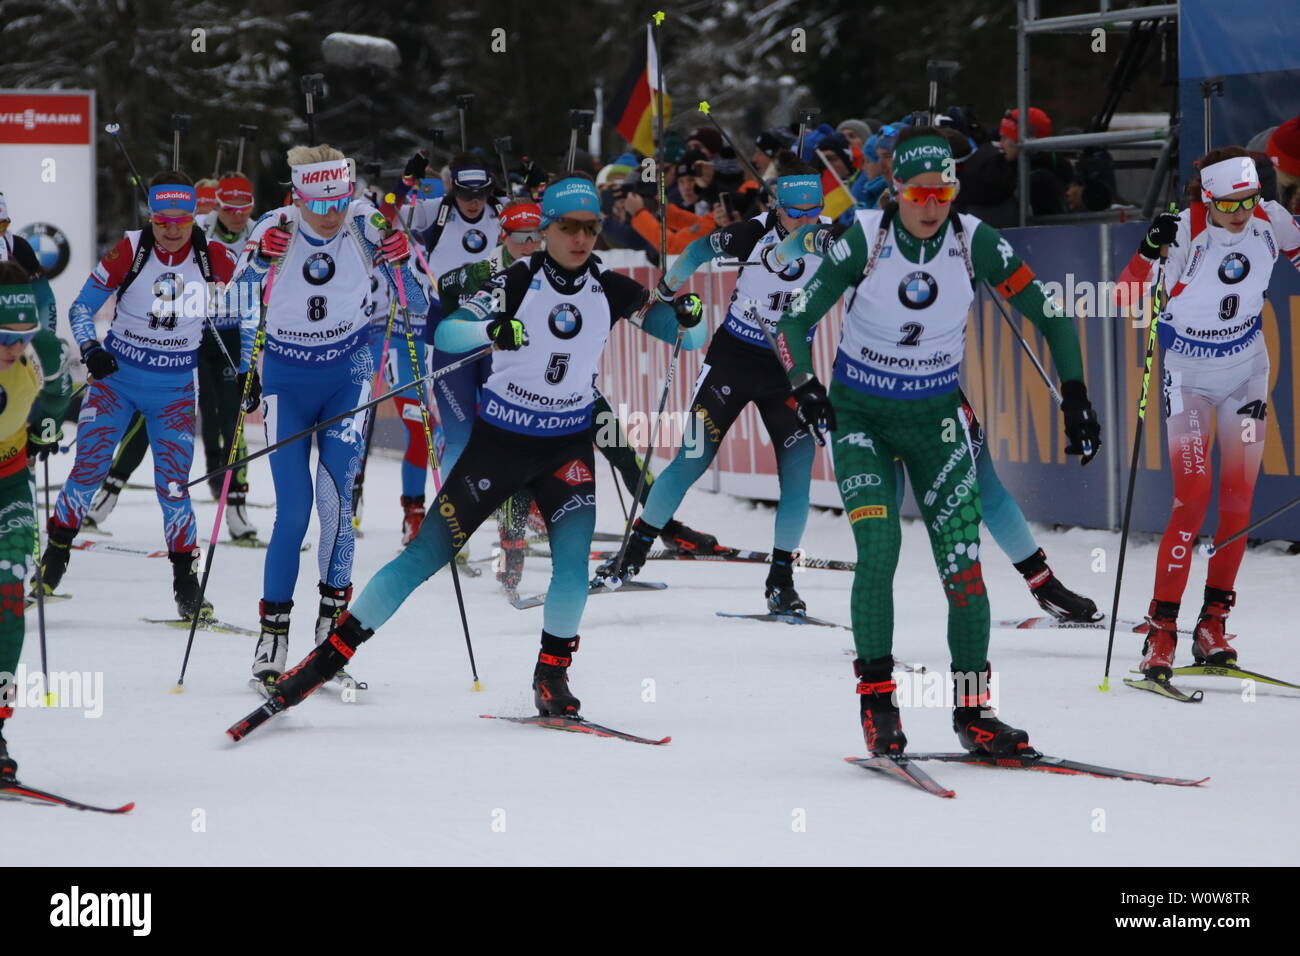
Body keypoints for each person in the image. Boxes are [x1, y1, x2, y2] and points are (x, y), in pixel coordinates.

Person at [241, 173, 707, 725]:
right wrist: (492, 329)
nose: (580, 239)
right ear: (545, 227)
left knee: (572, 567)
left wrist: (688, 315)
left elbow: (687, 338)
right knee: (423, 558)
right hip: (502, 443)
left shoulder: (611, 286)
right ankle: (323, 661)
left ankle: (551, 678)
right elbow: (449, 334)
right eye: (567, 227)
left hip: (568, 447)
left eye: (590, 228)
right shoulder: (516, 279)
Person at [773, 127, 1101, 757]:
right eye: (919, 193)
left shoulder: (973, 240)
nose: (931, 205)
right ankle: (878, 705)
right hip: (861, 418)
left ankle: (975, 713)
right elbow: (792, 320)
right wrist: (804, 385)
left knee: (964, 569)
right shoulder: (864, 240)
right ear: (896, 192)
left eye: (943, 192)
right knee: (880, 547)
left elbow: (1052, 313)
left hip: (938, 422)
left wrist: (1077, 396)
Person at [437, 199, 718, 592]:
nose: (530, 244)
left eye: (537, 235)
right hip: (514, 387)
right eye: (521, 238)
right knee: (515, 465)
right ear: (503, 237)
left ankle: (665, 525)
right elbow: (444, 292)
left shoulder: (570, 266)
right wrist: (482, 326)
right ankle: (512, 543)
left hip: (575, 393)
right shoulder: (494, 272)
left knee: (621, 449)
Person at [229, 144, 425, 691]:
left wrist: (404, 259)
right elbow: (235, 301)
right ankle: (273, 634)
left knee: (337, 507)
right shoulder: (276, 227)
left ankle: (330, 634)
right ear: (297, 196)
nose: (332, 213)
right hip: (288, 381)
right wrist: (258, 266)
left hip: (348, 373)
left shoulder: (367, 222)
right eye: (320, 203)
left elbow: (417, 304)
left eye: (340, 199)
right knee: (293, 513)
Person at [601, 155, 830, 614]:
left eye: (813, 212)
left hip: (789, 365)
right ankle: (634, 552)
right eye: (795, 214)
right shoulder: (750, 233)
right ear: (777, 206)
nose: (806, 223)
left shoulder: (830, 236)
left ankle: (781, 580)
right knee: (691, 458)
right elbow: (695, 253)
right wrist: (667, 291)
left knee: (798, 478)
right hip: (735, 358)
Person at [1116, 148, 1300, 687]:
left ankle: (1213, 624)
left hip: (1246, 369)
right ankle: (1162, 628)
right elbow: (1127, 295)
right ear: (1206, 199)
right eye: (1227, 203)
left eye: (1246, 199)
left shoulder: (1271, 218)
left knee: (1239, 501)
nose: (1240, 213)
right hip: (1190, 376)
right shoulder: (1186, 233)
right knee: (1192, 498)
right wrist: (1149, 251)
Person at [35, 172, 238, 620]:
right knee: (87, 470)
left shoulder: (214, 256)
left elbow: (256, 302)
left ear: (192, 217)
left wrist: (251, 368)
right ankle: (54, 559)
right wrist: (90, 348)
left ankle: (186, 584)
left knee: (173, 487)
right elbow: (81, 306)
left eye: (181, 220)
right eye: (162, 219)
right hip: (117, 383)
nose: (171, 229)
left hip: (175, 391)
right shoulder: (131, 249)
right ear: (151, 215)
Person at [83, 172, 261, 542]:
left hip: (228, 338)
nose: (237, 216)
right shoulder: (197, 231)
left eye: (244, 208)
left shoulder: (257, 233)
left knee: (232, 420)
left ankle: (236, 509)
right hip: (192, 336)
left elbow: (256, 292)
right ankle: (107, 493)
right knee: (151, 419)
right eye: (229, 208)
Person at [0, 263, 73, 783]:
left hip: (9, 478)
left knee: (10, 581)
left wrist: (47, 423)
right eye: (4, 338)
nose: (13, 349)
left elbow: (60, 386)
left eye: (22, 337)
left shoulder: (39, 353)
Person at [401, 152, 504, 478]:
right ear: (452, 190)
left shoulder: (504, 212)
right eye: (464, 195)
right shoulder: (436, 212)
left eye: (480, 195)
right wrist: (406, 185)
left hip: (495, 332)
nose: (473, 203)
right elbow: (389, 221)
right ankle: (450, 519)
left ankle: (511, 520)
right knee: (458, 435)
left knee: (504, 432)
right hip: (448, 333)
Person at [0, 193, 58, 332]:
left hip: (16, 339)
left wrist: (48, 336)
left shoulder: (19, 247)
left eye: (2, 226)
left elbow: (45, 300)